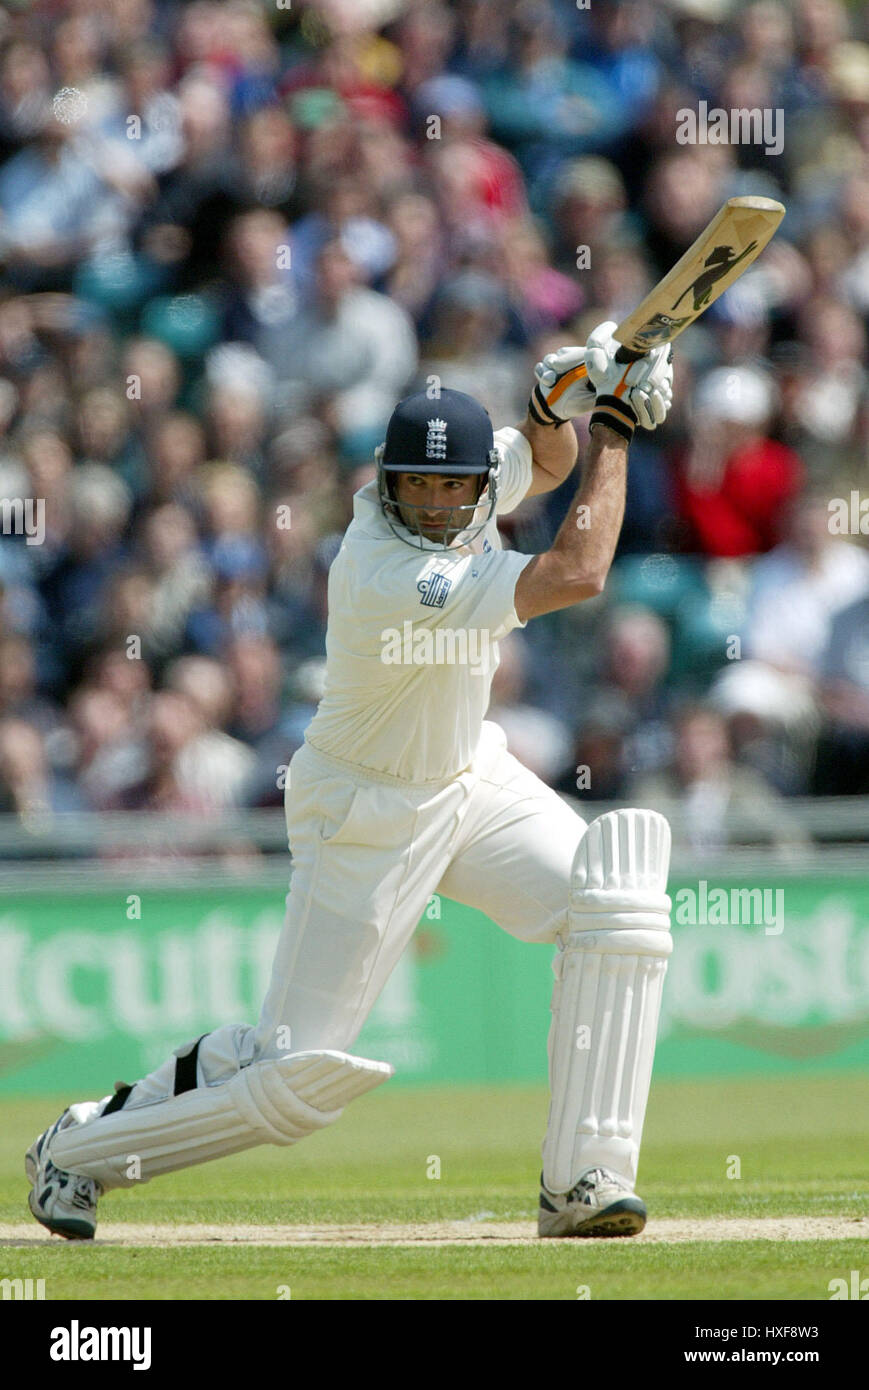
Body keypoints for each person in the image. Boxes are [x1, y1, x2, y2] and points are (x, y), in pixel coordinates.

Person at [25, 322, 675, 1241]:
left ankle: (584, 1180)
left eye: (460, 490)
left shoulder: (470, 481)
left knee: (617, 899)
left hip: (466, 773)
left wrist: (549, 403)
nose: (446, 506)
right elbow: (578, 570)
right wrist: (612, 423)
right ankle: (77, 1148)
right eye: (423, 488)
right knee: (290, 1081)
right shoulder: (385, 571)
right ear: (385, 482)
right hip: (366, 811)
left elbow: (538, 458)